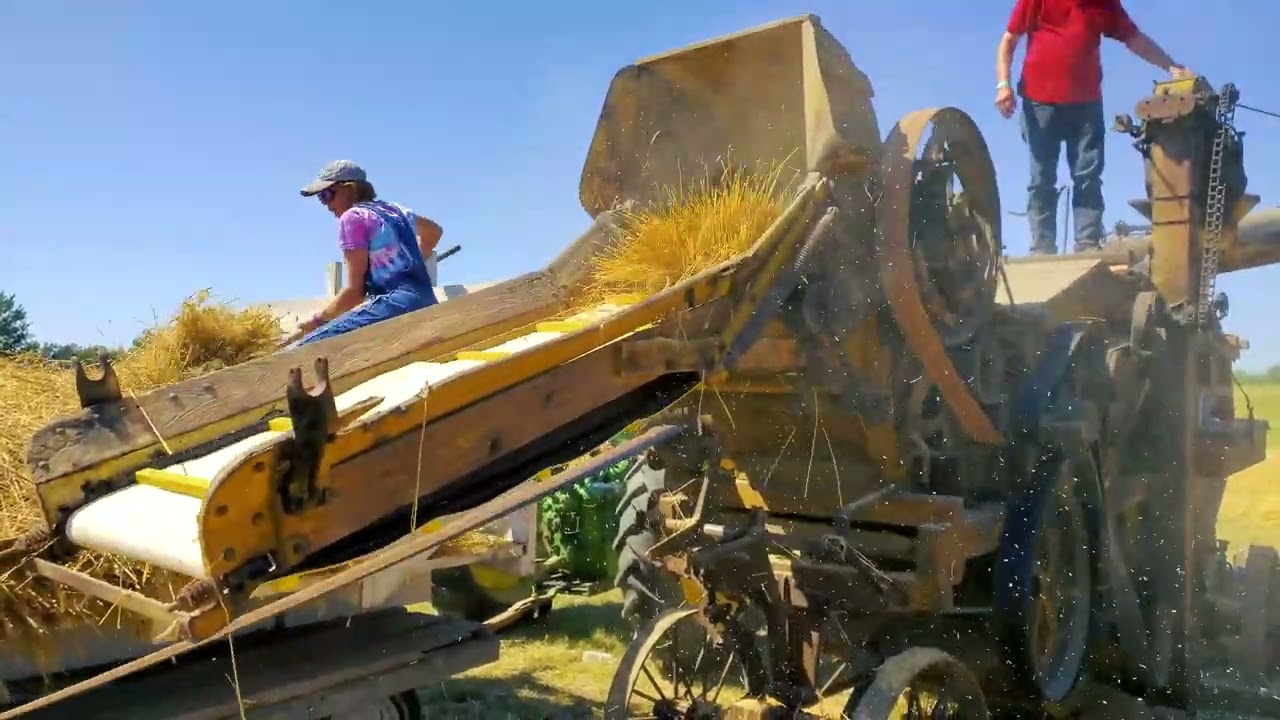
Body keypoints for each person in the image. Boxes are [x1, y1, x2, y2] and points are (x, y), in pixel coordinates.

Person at [995, 1, 1189, 254]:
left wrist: (1172, 67)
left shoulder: (1104, 3)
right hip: (1039, 102)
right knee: (1041, 178)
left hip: (1085, 104)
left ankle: (1086, 244)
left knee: (1087, 177)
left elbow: (1134, 38)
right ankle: (1041, 248)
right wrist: (1003, 85)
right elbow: (1009, 40)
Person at [284, 160, 444, 348]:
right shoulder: (393, 209)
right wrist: (409, 263)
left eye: (328, 194)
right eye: (321, 198)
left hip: (394, 304)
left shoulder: (352, 218)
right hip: (426, 301)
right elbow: (434, 232)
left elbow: (355, 292)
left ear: (350, 189)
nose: (326, 204)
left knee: (301, 349)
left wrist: (317, 321)